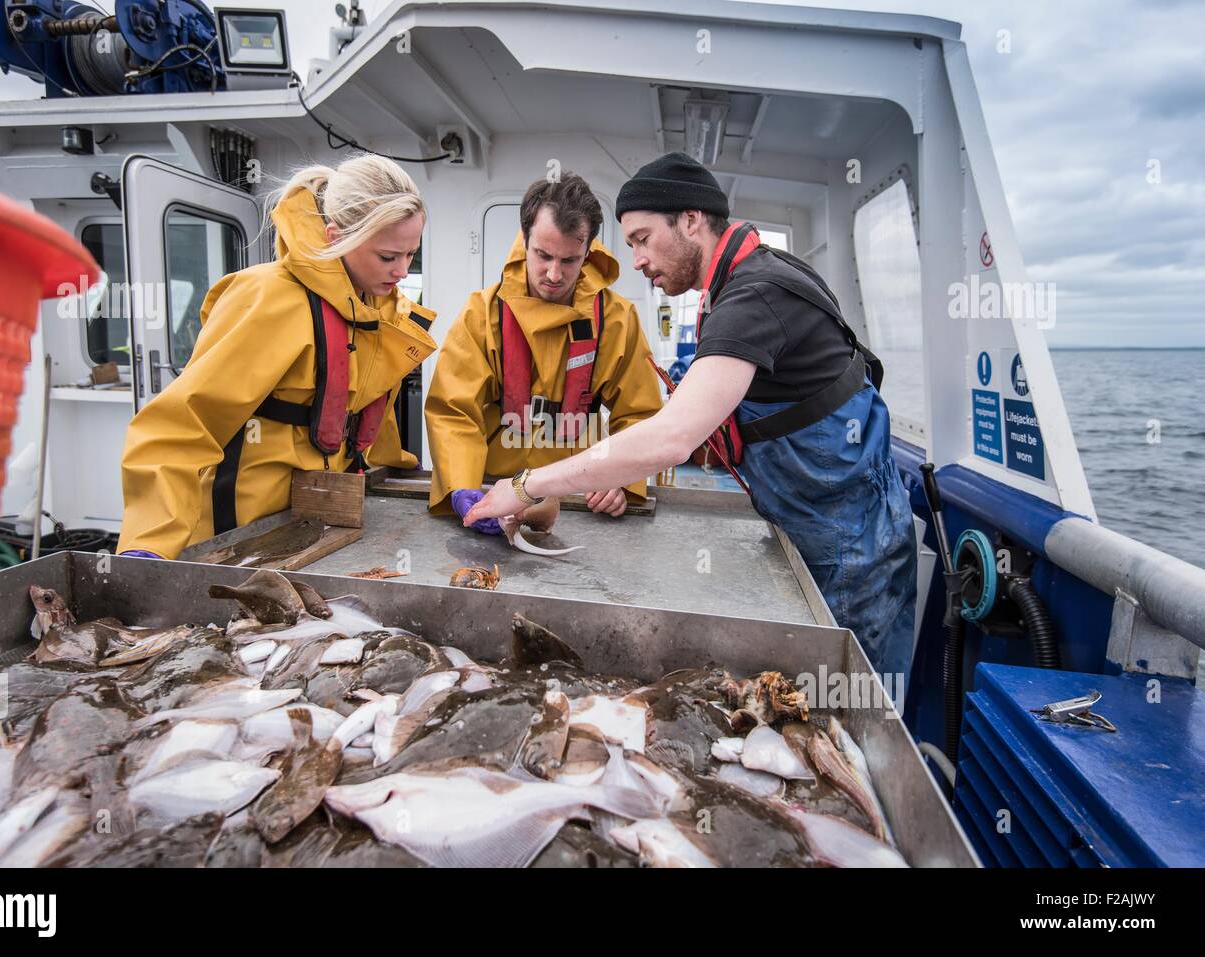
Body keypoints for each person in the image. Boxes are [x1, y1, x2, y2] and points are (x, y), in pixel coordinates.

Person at [464, 152, 918, 681]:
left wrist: (527, 486)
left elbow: (674, 437)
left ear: (690, 221)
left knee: (852, 708)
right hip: (822, 525)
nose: (634, 259)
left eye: (640, 238)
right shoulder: (752, 277)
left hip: (851, 549)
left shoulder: (755, 295)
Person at [117, 155, 437, 559]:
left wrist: (408, 484)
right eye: (388, 257)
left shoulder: (379, 309)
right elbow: (181, 424)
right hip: (238, 536)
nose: (402, 272)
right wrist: (148, 543)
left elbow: (372, 416)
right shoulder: (268, 297)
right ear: (337, 237)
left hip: (316, 529)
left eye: (411, 255)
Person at [425, 172, 663, 533]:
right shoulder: (482, 312)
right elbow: (453, 410)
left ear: (588, 251)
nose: (554, 273)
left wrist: (623, 478)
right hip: (491, 488)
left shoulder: (618, 319)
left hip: (581, 498)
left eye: (569, 260)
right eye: (543, 255)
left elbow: (640, 414)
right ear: (524, 240)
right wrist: (462, 488)